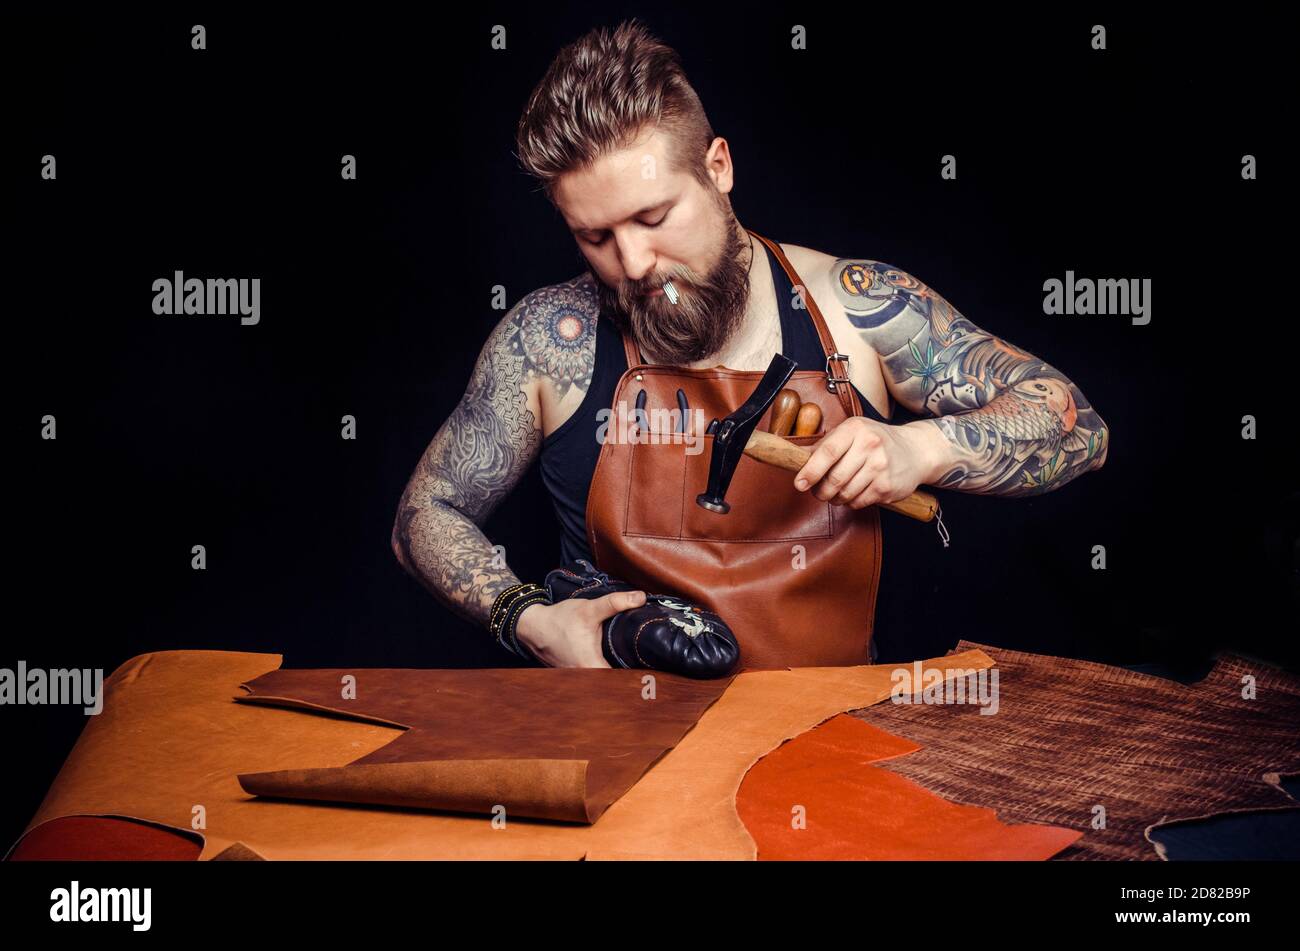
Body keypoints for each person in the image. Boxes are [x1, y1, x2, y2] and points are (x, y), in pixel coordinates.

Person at [392, 19, 1109, 669]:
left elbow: (1076, 420)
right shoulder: (550, 341)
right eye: (596, 236)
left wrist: (920, 448)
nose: (633, 263)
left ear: (719, 167)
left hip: (829, 747)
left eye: (654, 216)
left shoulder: (855, 306)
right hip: (618, 750)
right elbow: (425, 513)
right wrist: (529, 618)